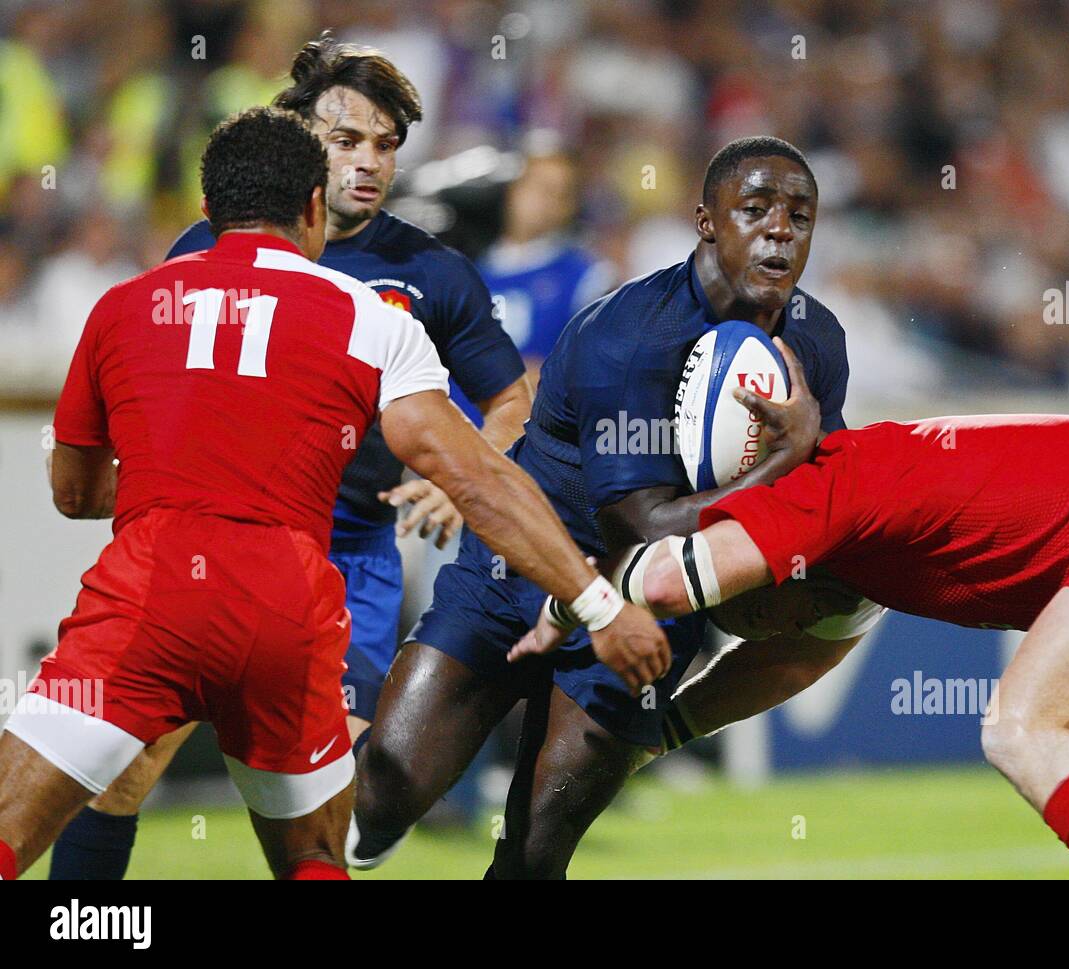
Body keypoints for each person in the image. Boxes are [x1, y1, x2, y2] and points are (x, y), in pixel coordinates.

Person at [0, 106, 668, 882]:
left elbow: (74, 490)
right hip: (288, 607)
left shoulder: (122, 306)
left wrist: (181, 485)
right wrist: (597, 603)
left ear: (208, 213)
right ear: (315, 207)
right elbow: (481, 480)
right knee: (314, 854)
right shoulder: (368, 318)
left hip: (149, 593)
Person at [48, 34, 531, 879]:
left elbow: (510, 398)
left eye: (385, 144)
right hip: (208, 541)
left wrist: (461, 479)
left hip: (348, 558)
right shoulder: (207, 245)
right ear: (302, 140)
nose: (369, 163)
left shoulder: (431, 270)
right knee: (125, 770)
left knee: (337, 810)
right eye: (347, 141)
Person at [350, 136, 860, 878]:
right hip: (517, 574)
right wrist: (782, 460)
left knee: (535, 851)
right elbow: (641, 524)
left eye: (800, 215)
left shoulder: (818, 338)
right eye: (755, 209)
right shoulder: (627, 336)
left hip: (645, 614)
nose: (780, 228)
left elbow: (817, 495)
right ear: (705, 221)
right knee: (381, 796)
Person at [516, 408, 1069, 879]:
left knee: (1027, 726)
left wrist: (570, 595)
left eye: (745, 614)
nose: (756, 626)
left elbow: (662, 583)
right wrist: (662, 736)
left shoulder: (821, 487)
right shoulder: (857, 546)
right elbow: (795, 657)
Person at [477, 142, 614, 380]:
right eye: (538, 186)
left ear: (569, 206)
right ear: (513, 189)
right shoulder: (470, 270)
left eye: (559, 193)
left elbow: (603, 370)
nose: (545, 201)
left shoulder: (588, 279)